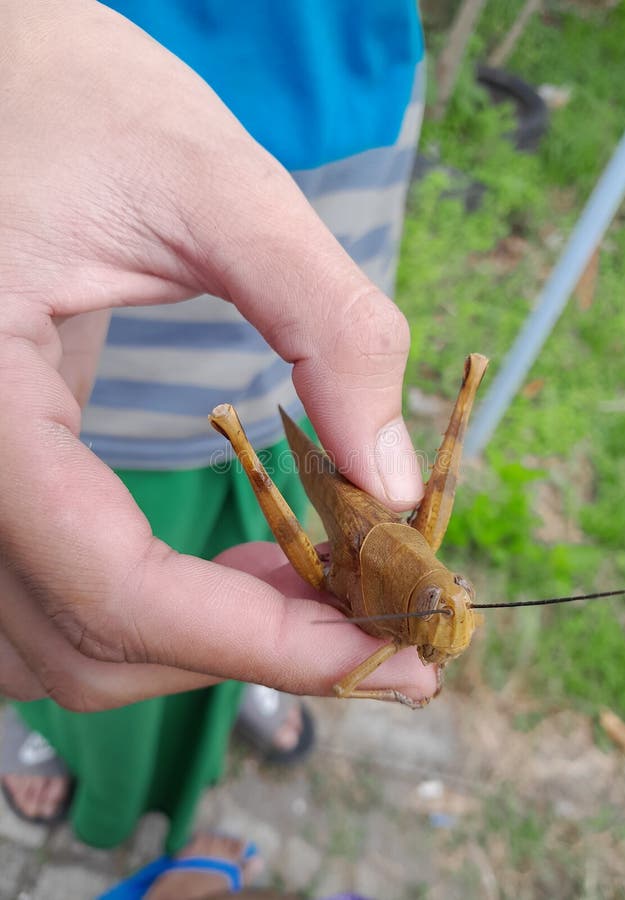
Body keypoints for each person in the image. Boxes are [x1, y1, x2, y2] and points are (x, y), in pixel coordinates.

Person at [0, 0, 434, 859]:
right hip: (88, 139)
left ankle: (248, 683)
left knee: (261, 553)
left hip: (347, 101)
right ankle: (41, 725)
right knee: (65, 575)